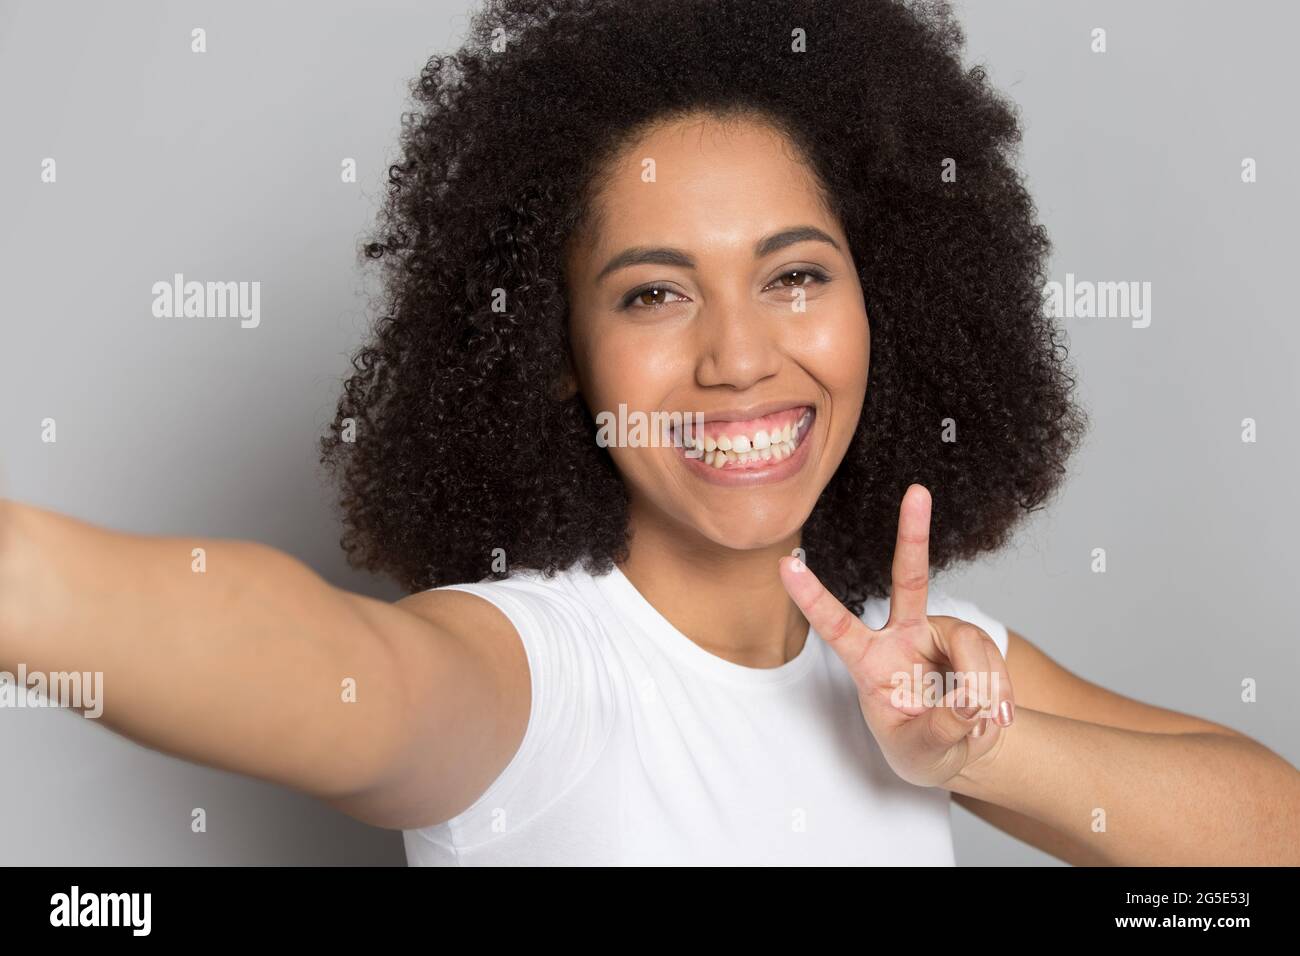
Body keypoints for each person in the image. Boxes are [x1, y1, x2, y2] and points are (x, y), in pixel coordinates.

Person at [2, 0, 1296, 866]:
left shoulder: (919, 666)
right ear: (557, 358)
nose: (740, 356)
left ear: (878, 299)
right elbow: (330, 664)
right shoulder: (542, 680)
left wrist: (979, 745)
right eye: (654, 294)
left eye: (794, 275)